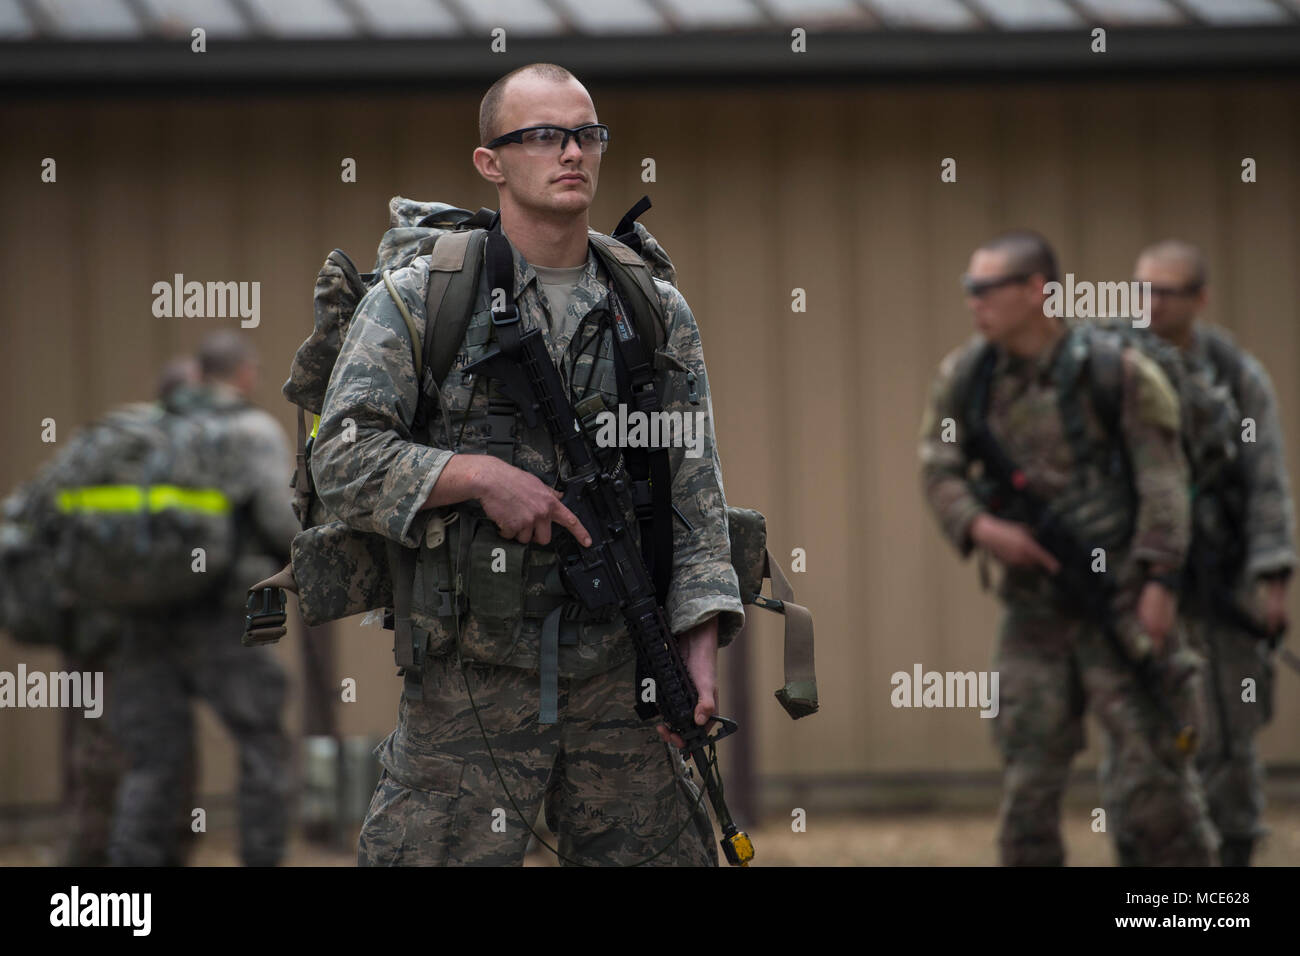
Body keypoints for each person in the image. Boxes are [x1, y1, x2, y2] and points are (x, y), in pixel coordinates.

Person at [311, 62, 744, 866]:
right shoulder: (419, 298)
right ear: (491, 162)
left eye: (586, 134)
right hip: (471, 682)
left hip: (624, 670)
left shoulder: (648, 306)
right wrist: (476, 477)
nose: (570, 152)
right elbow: (342, 457)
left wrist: (699, 636)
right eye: (542, 135)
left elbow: (694, 491)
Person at [918, 231, 1217, 866]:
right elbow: (937, 467)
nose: (972, 302)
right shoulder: (967, 379)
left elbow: (1167, 483)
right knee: (1028, 784)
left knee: (1154, 790)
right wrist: (981, 528)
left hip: (1127, 604)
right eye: (968, 289)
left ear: (1036, 291)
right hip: (1035, 614)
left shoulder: (1117, 374)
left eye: (985, 288)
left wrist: (1162, 584)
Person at [108, 333, 297, 866]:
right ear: (242, 374)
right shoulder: (250, 429)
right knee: (262, 745)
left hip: (146, 613)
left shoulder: (147, 426)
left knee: (152, 761)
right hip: (224, 617)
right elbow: (280, 521)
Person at [1134, 240, 1295, 866]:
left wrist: (1272, 581)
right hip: (1148, 585)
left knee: (1231, 734)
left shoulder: (1235, 374)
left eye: (1164, 290)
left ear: (1199, 299)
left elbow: (1267, 482)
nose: (1148, 302)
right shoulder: (1119, 365)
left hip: (1224, 585)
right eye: (1140, 288)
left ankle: (1229, 873)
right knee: (1156, 736)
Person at [60, 357, 201, 866]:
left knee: (103, 754)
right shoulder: (176, 450)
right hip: (145, 632)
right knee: (148, 758)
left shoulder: (101, 438)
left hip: (90, 626)